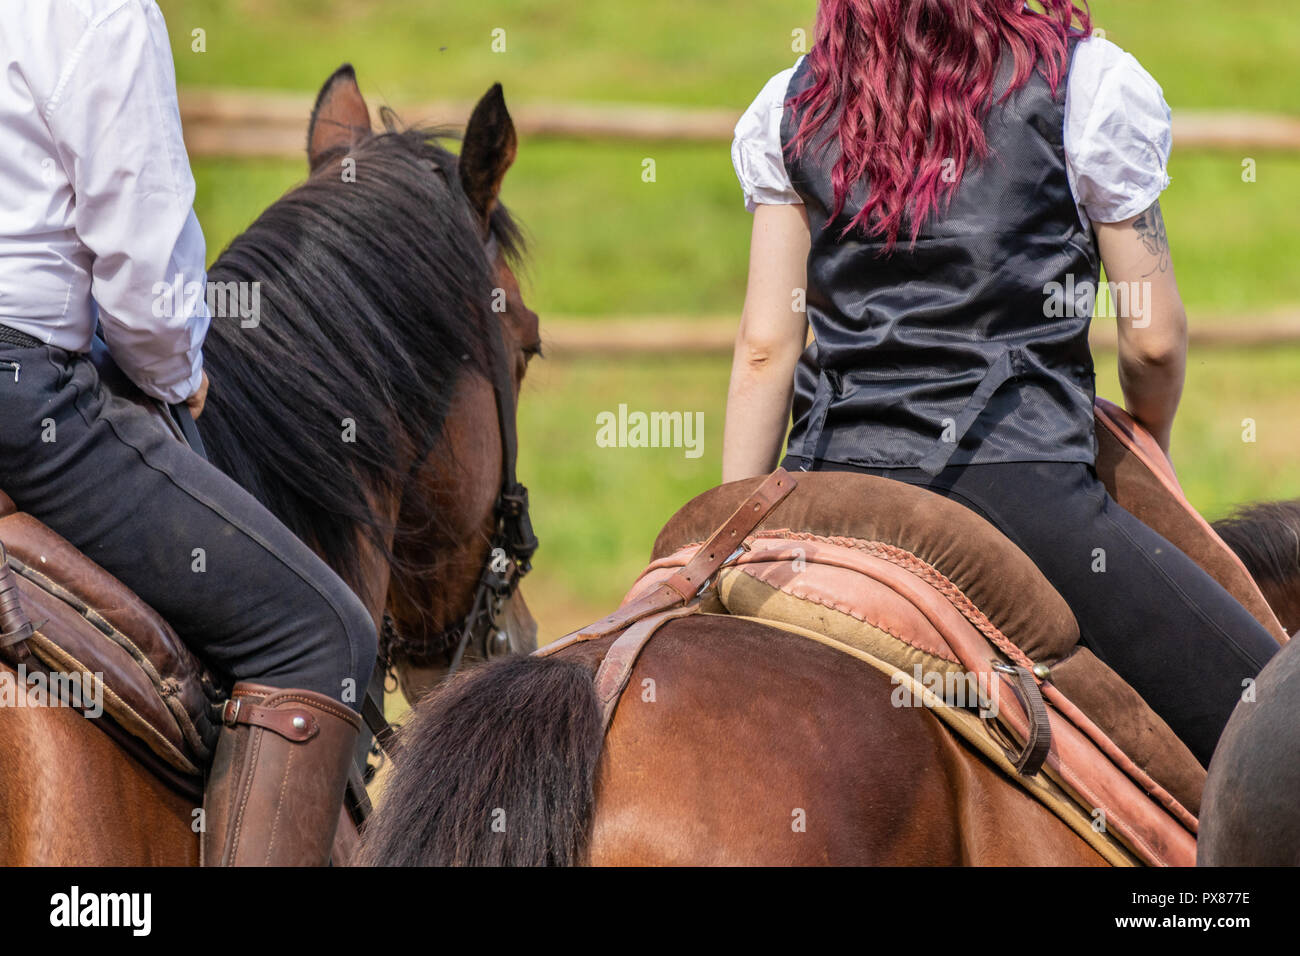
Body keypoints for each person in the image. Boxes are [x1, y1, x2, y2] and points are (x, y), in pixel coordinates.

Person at [722, 0, 1278, 766]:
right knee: (1275, 721)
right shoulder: (1087, 85)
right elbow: (1150, 340)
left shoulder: (791, 102)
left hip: (826, 480)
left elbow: (764, 348)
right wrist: (1151, 440)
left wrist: (738, 521)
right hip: (1021, 488)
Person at [0, 0, 375, 864]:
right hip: (24, 401)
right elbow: (145, 280)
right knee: (322, 639)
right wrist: (179, 373)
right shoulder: (103, 13)